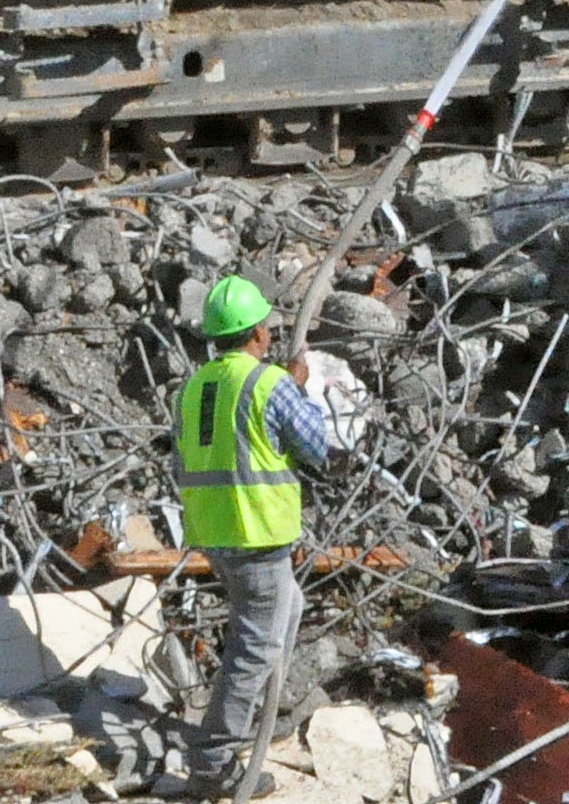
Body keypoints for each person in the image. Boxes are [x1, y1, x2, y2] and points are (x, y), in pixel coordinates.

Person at [170, 274, 330, 798]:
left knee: (290, 607)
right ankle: (213, 765)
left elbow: (182, 461)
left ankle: (260, 717)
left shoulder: (193, 389)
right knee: (254, 649)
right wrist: (299, 388)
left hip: (216, 534)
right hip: (258, 533)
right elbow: (316, 447)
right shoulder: (269, 383)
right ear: (258, 333)